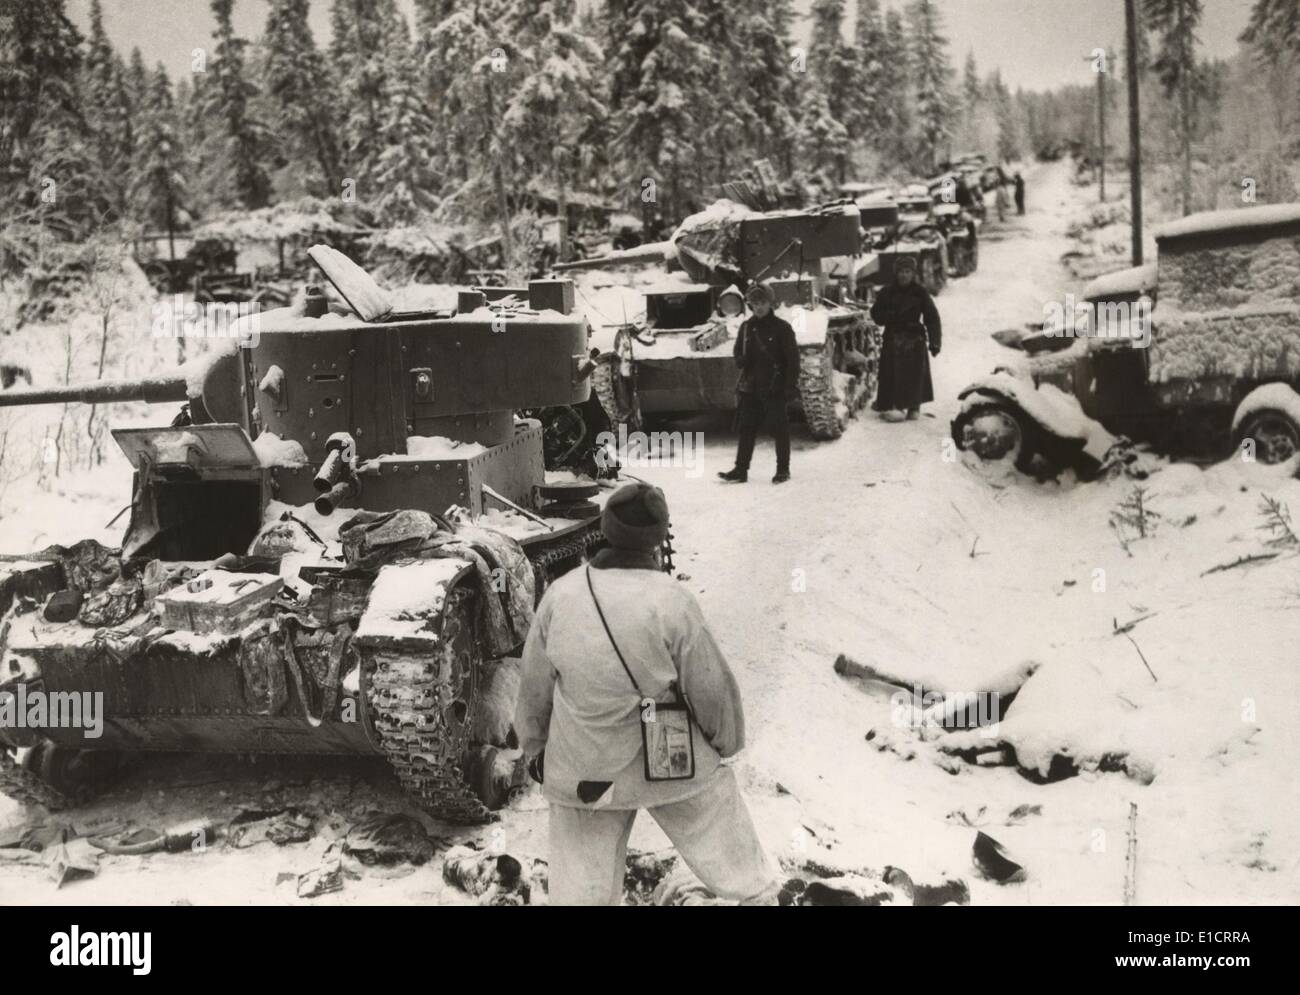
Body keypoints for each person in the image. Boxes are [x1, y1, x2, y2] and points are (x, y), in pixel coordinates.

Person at [514, 482, 778, 906]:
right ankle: (760, 897)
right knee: (730, 848)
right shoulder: (673, 601)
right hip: (667, 763)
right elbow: (711, 691)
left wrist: (535, 749)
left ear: (605, 528)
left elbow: (533, 689)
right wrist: (725, 743)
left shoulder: (561, 595)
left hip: (585, 772)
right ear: (659, 538)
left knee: (580, 892)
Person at [718, 283, 799, 484]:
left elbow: (793, 360)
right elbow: (737, 351)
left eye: (762, 303)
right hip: (751, 385)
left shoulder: (782, 328)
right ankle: (740, 469)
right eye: (755, 303)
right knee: (746, 428)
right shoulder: (747, 327)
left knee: (780, 429)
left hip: (774, 385)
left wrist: (789, 385)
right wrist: (740, 360)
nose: (759, 307)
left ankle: (783, 469)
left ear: (770, 303)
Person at [871, 255, 941, 422]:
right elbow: (876, 314)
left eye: (908, 271)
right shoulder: (887, 292)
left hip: (914, 339)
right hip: (893, 337)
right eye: (901, 271)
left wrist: (935, 342)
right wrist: (889, 316)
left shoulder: (920, 293)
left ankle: (913, 406)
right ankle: (894, 405)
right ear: (896, 273)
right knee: (892, 373)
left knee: (914, 375)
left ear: (913, 273)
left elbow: (932, 317)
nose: (904, 275)